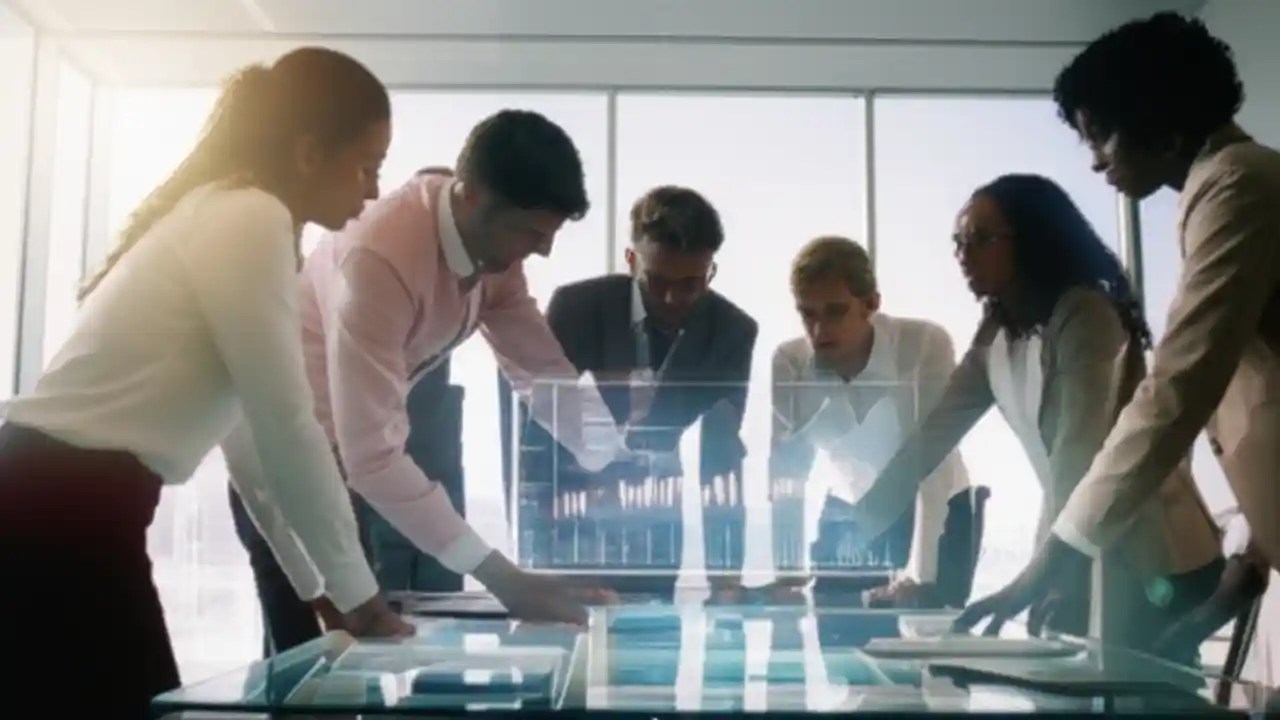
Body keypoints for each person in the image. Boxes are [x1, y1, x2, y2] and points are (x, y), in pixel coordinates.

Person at [0, 48, 410, 716]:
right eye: (368, 166)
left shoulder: (227, 212)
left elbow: (248, 444)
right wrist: (360, 596)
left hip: (55, 502)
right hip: (60, 509)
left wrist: (317, 585)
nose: (371, 191)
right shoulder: (249, 217)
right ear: (308, 152)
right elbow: (288, 424)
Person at [228, 109, 624, 652]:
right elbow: (374, 458)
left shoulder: (494, 254)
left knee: (360, 667)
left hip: (349, 469)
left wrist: (619, 460)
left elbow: (539, 370)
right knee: (314, 670)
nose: (542, 250)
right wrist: (503, 578)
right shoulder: (377, 258)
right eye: (531, 232)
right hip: (285, 471)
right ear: (470, 197)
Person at [953, 12, 1280, 656]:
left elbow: (1180, 382)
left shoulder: (1238, 182)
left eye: (1101, 135)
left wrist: (1065, 549)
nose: (1097, 160)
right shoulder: (1226, 184)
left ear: (1158, 118)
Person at [846, 174, 1223, 658]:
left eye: (982, 239)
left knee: (1138, 695)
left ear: (1034, 239)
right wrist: (860, 522)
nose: (964, 253)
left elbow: (1078, 451)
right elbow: (933, 433)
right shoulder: (997, 332)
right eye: (959, 241)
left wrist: (1048, 572)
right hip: (1076, 536)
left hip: (1150, 548)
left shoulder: (1085, 313)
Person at [508, 185, 757, 600]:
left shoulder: (732, 331)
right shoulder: (577, 307)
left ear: (711, 268)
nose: (674, 298)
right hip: (571, 536)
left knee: (653, 654)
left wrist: (725, 578)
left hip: (656, 540)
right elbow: (537, 438)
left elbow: (721, 456)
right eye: (657, 281)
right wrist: (537, 561)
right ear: (631, 260)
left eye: (692, 283)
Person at [769, 236, 972, 607]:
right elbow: (787, 471)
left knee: (931, 630)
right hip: (850, 502)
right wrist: (786, 573)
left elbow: (932, 460)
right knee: (834, 631)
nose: (819, 330)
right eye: (808, 314)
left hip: (937, 503)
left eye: (835, 311)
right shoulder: (788, 362)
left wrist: (920, 577)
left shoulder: (925, 344)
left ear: (871, 305)